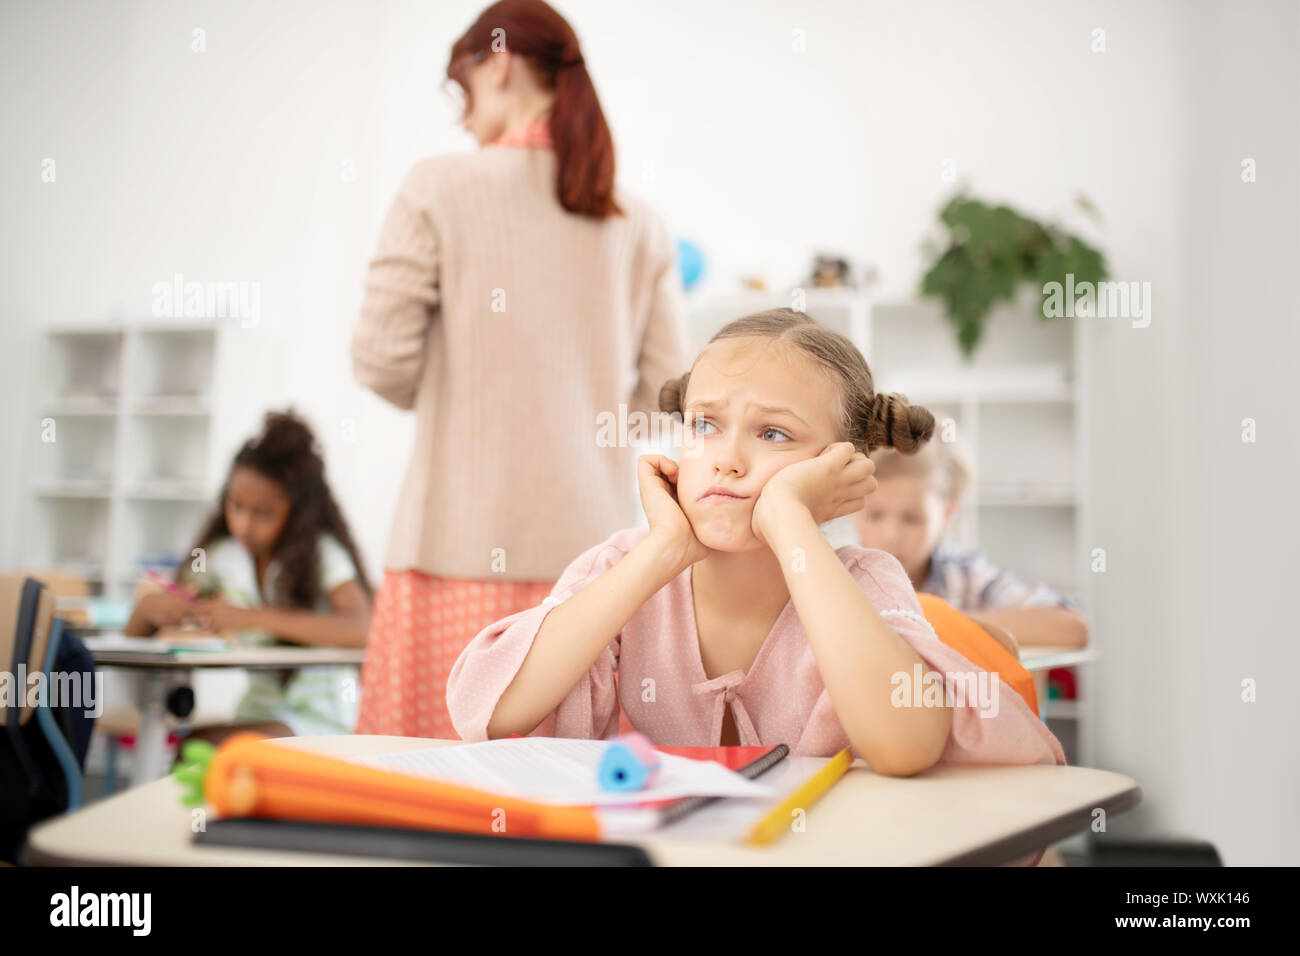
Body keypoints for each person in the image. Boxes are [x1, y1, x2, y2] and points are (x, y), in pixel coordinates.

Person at [446, 309, 1065, 776]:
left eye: (772, 433)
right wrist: (663, 553)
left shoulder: (864, 582)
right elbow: (492, 711)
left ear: (839, 466)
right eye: (705, 425)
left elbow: (905, 746)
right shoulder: (624, 568)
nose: (727, 461)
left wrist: (791, 519)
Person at [351, 0, 690, 738]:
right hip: (593, 570)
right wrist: (582, 420)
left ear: (498, 63)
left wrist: (456, 394)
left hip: (451, 549)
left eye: (460, 90)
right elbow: (670, 391)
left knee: (432, 796)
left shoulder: (436, 186)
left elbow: (380, 361)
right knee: (569, 797)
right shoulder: (638, 222)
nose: (460, 116)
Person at [125, 411, 373, 744]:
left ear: (297, 512)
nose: (244, 525)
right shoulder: (222, 557)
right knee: (194, 746)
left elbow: (361, 629)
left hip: (322, 719)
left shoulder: (322, 554)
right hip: (258, 711)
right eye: (236, 506)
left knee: (205, 748)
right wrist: (148, 609)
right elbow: (135, 637)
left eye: (264, 514)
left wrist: (250, 618)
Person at [853, 439, 1090, 648]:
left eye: (913, 519)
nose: (891, 535)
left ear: (947, 514)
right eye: (874, 516)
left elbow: (1072, 626)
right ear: (854, 510)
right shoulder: (841, 576)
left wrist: (938, 622)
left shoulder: (964, 576)